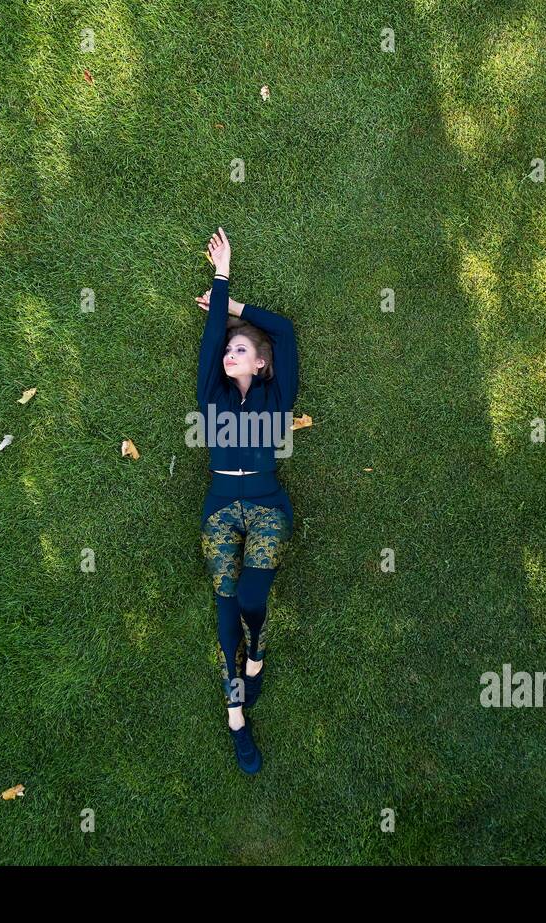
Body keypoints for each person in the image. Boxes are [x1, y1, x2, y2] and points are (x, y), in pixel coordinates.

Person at [194, 226, 298, 775]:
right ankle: (236, 715)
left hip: (265, 505)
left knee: (253, 596)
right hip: (218, 507)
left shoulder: (277, 398)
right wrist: (219, 274)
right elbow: (211, 344)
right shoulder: (209, 396)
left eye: (242, 349)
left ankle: (256, 654)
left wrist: (234, 303)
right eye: (228, 349)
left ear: (259, 363)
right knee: (224, 603)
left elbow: (282, 330)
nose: (230, 353)